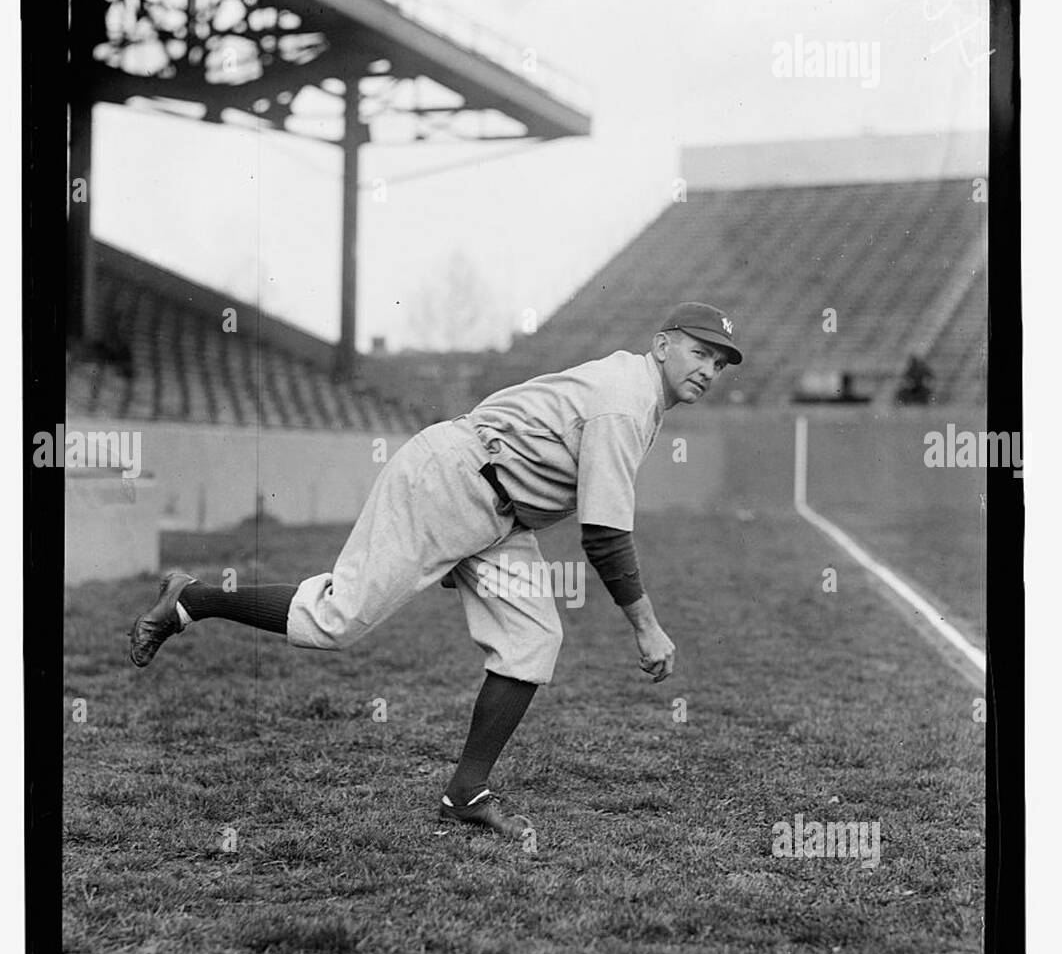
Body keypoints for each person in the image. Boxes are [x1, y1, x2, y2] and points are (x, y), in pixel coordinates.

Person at [130, 302, 742, 841]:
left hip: (494, 510)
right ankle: (194, 598)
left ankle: (465, 795)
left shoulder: (637, 393)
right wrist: (646, 627)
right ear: (662, 345)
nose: (708, 370)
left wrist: (471, 543)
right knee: (338, 620)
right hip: (454, 482)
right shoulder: (625, 402)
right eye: (699, 352)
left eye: (719, 363)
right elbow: (605, 537)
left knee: (532, 638)